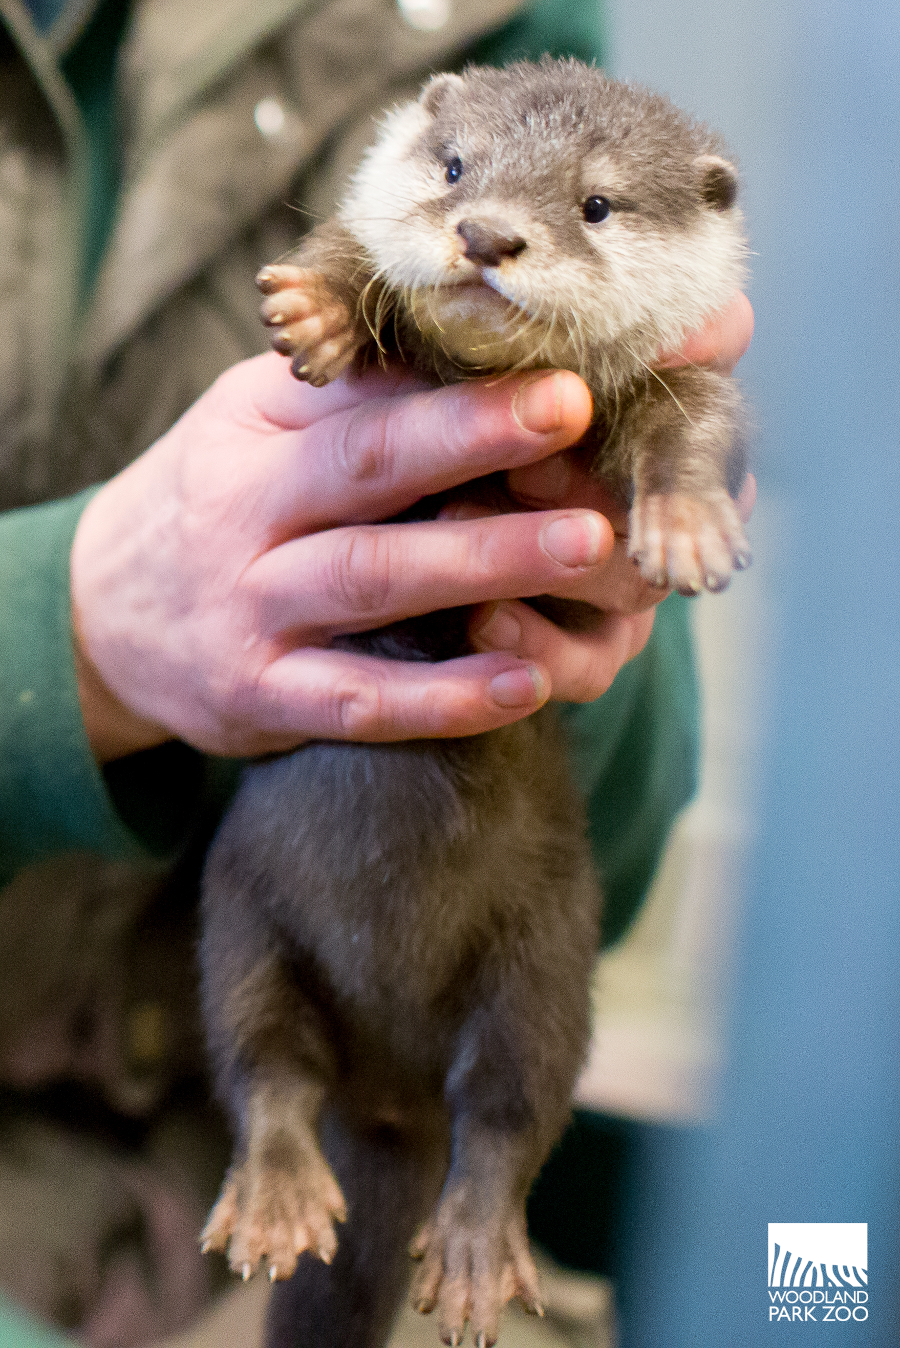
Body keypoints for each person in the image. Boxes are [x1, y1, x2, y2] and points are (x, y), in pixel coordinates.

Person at [0, 0, 754, 1343]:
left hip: (296, 1130)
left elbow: (619, 861)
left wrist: (608, 596)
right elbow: (364, 255)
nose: (485, 229)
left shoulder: (503, 17)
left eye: (584, 211)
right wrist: (63, 638)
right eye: (458, 184)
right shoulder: (374, 264)